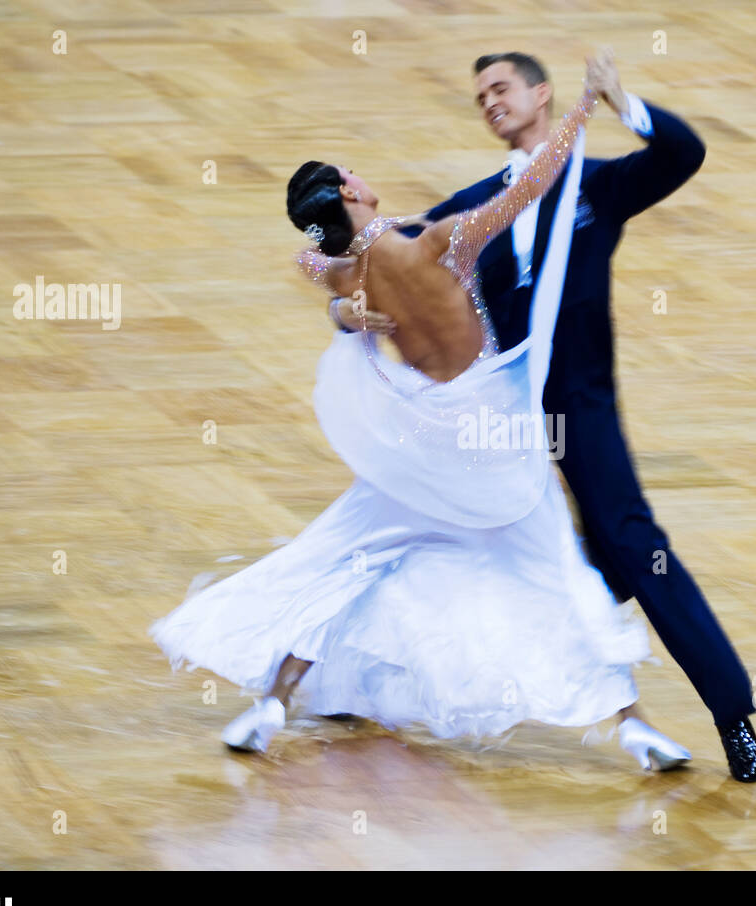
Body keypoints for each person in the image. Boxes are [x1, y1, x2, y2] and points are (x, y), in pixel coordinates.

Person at [149, 55, 694, 774]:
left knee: (347, 563)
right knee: (555, 573)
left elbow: (309, 262)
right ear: (352, 190)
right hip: (494, 436)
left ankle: (271, 706)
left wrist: (346, 310)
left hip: (419, 442)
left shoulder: (352, 270)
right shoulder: (442, 243)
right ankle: (633, 729)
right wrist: (582, 111)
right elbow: (530, 186)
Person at [326, 50, 756, 781]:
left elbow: (684, 151)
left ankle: (731, 714)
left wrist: (623, 102)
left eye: (502, 88)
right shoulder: (470, 204)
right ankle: (362, 669)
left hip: (579, 404)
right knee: (437, 534)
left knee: (630, 542)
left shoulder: (597, 183)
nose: (490, 101)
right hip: (499, 411)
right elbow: (372, 271)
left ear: (542, 95)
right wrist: (342, 299)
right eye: (480, 96)